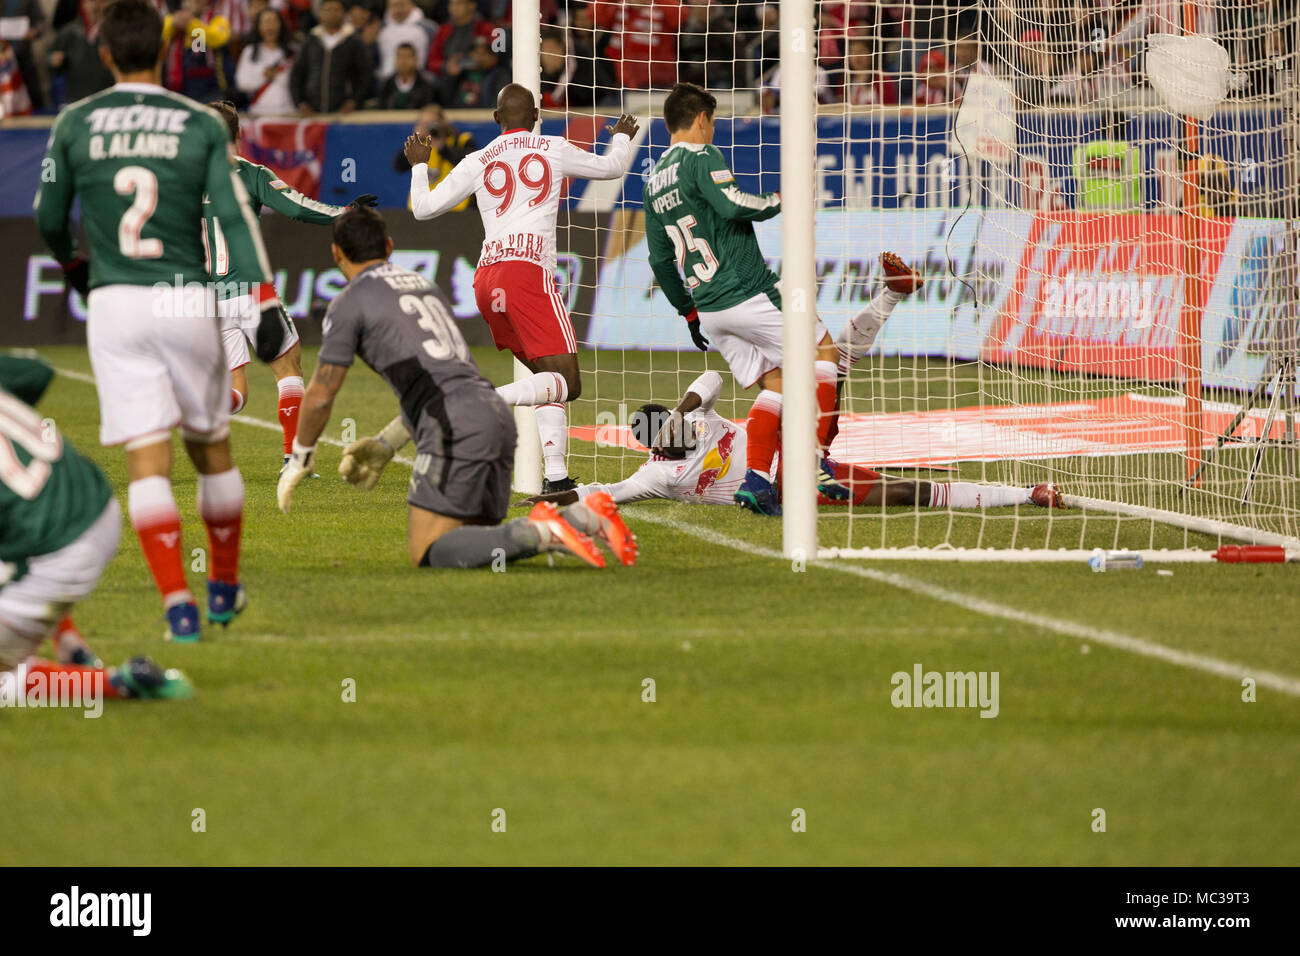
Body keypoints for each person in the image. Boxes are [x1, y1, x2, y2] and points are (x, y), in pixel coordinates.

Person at [34, 0, 279, 641]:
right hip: (185, 298)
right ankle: (223, 585)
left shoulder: (75, 121)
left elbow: (49, 216)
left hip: (116, 302)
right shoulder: (198, 123)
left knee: (149, 461)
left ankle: (177, 605)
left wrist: (75, 266)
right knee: (211, 448)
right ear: (169, 50)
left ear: (106, 53)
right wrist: (259, 296)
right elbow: (232, 217)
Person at [277, 207, 638, 570]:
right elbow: (445, 374)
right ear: (389, 247)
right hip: (493, 416)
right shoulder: (425, 287)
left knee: (428, 550)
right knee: (476, 538)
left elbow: (322, 394)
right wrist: (388, 443)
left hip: (453, 426)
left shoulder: (348, 302)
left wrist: (300, 458)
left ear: (336, 253)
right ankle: (582, 519)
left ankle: (546, 530)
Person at [404, 84, 638, 494]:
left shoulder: (476, 160)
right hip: (527, 272)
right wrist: (621, 135)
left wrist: (420, 166)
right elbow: (614, 167)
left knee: (548, 380)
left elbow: (422, 210)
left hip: (487, 279)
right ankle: (473, 400)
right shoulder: (552, 146)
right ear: (536, 115)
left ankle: (556, 477)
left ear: (497, 119)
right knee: (570, 383)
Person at [644, 82, 846, 517]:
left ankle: (756, 481)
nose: (713, 131)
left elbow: (660, 260)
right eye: (712, 122)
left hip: (710, 309)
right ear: (701, 119)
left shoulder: (652, 182)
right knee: (825, 349)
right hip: (747, 290)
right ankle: (813, 463)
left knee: (777, 384)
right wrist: (781, 200)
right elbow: (732, 203)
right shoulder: (700, 157)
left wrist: (689, 311)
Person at [519, 369, 1064, 513]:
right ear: (660, 449)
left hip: (796, 448)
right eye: (670, 436)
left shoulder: (697, 416)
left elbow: (709, 380)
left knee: (796, 384)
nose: (682, 432)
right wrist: (547, 496)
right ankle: (1025, 495)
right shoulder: (657, 476)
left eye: (678, 423)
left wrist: (683, 410)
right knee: (902, 494)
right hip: (797, 489)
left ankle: (856, 335)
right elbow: (599, 492)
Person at [0, 355, 192, 702]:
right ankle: (69, 642)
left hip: (58, 552)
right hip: (97, 502)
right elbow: (37, 373)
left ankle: (118, 684)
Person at [206, 101, 377, 468]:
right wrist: (345, 212)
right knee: (288, 369)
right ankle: (292, 457)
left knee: (238, 390)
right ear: (238, 135)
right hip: (251, 290)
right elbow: (296, 207)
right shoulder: (250, 174)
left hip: (212, 298)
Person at [290, 0, 371, 115]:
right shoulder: (310, 41)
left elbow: (365, 74)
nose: (332, 13)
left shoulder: (354, 41)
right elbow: (297, 74)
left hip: (343, 113)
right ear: (320, 14)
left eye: (336, 10)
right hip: (313, 112)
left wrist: (354, 100)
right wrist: (300, 103)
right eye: (328, 10)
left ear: (344, 13)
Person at [392, 103, 477, 212]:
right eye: (425, 124)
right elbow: (398, 166)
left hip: (456, 210)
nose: (429, 128)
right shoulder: (420, 145)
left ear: (443, 123)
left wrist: (442, 147)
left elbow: (471, 167)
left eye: (432, 124)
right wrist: (414, 140)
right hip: (424, 209)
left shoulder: (461, 140)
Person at [48, 0, 114, 105]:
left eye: (100, 2)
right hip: (77, 96)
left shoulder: (113, 30)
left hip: (107, 93)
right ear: (83, 5)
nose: (94, 5)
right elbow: (50, 59)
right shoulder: (69, 31)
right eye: (90, 1)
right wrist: (53, 60)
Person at [234, 6, 295, 115]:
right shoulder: (250, 51)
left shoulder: (292, 52)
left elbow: (298, 83)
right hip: (258, 110)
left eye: (274, 21)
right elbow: (241, 82)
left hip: (288, 111)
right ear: (259, 27)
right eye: (266, 22)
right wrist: (264, 75)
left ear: (281, 25)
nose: (270, 26)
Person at [375, 0, 430, 81]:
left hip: (420, 81)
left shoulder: (428, 28)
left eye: (401, 5)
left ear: (412, 5)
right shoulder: (379, 29)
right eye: (394, 5)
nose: (398, 9)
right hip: (386, 81)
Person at [377, 41, 434, 109]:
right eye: (400, 56)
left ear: (415, 60)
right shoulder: (386, 85)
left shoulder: (426, 87)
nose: (403, 61)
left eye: (407, 56)